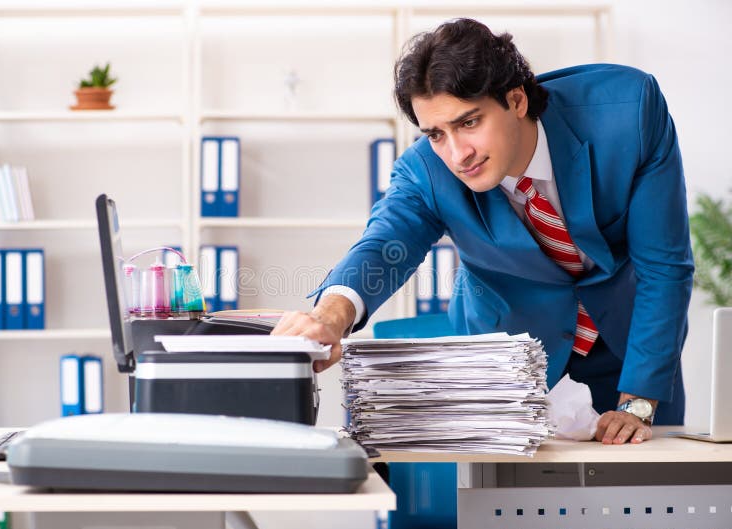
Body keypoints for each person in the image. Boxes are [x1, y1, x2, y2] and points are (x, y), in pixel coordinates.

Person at [272, 18, 693, 445]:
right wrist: (329, 317)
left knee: (649, 497)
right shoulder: (426, 171)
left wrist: (638, 401)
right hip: (508, 369)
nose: (458, 154)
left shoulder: (629, 116)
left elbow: (664, 267)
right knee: (509, 508)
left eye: (469, 123)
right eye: (436, 133)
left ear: (516, 100)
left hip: (632, 352)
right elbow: (384, 246)